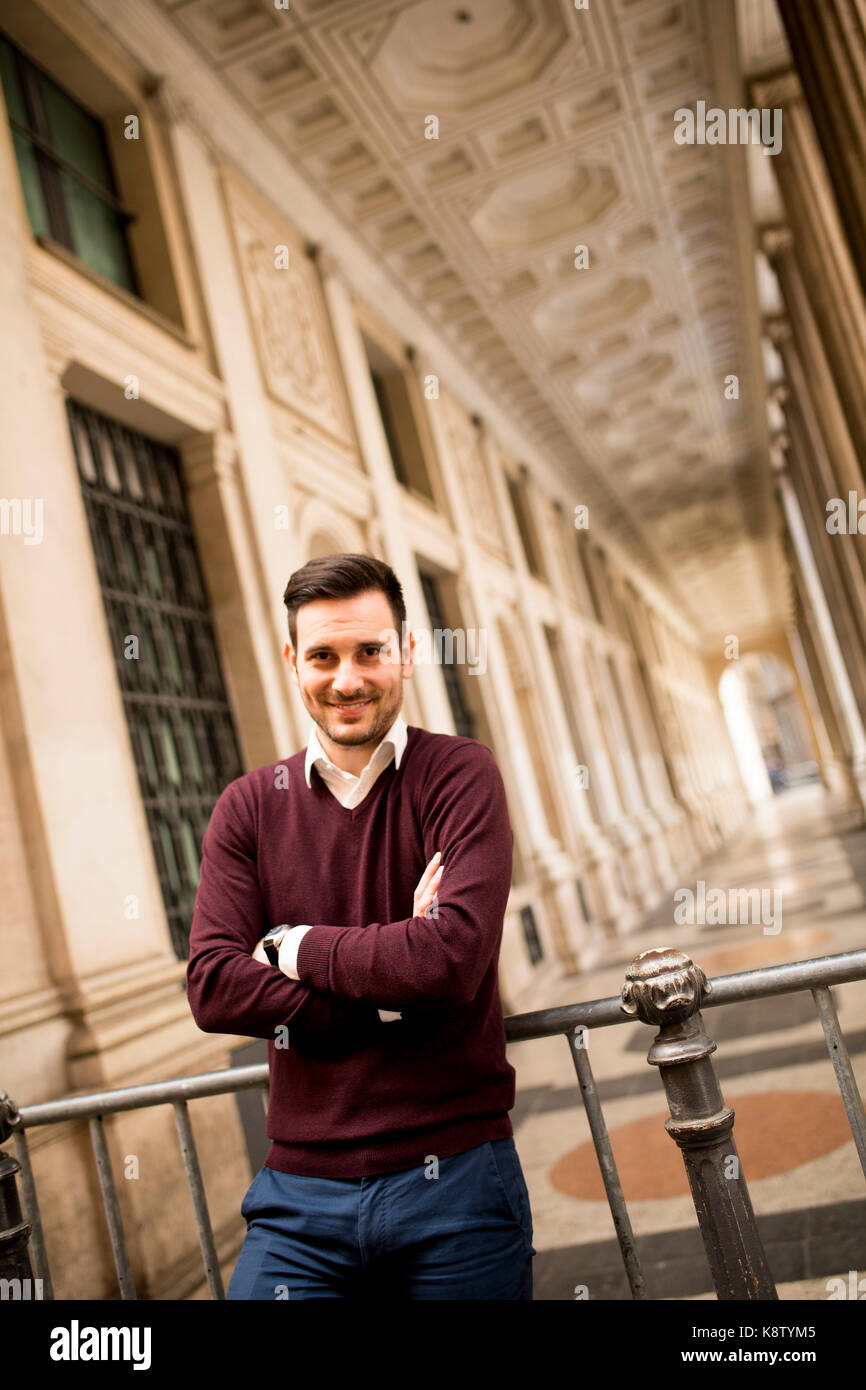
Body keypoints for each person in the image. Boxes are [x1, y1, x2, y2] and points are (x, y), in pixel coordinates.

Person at [186, 552, 535, 1299]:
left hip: (458, 1183)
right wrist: (384, 994)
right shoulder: (247, 808)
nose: (346, 679)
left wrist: (288, 945)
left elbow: (450, 960)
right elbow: (214, 986)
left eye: (369, 651)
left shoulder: (460, 776)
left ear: (406, 652)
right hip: (297, 1201)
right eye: (323, 656)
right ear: (292, 660)